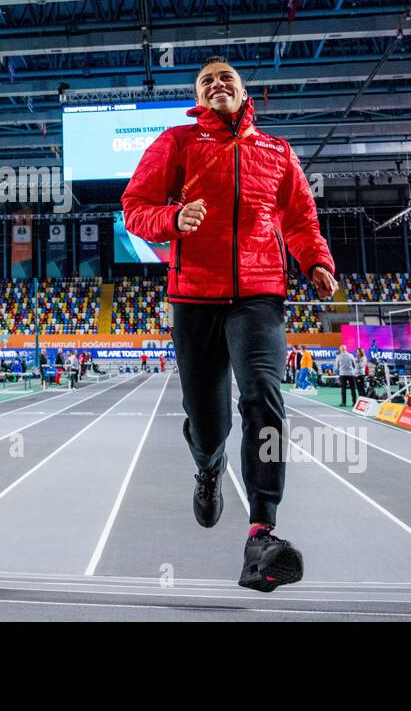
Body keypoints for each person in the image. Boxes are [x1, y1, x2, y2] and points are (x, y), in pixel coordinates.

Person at [122, 56, 336, 594]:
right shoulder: (177, 142)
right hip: (194, 297)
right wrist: (172, 219)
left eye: (227, 78)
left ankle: (262, 531)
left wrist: (316, 261)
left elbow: (300, 218)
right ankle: (208, 465)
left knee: (264, 396)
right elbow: (135, 208)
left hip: (260, 295)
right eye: (206, 80)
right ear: (198, 97)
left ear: (243, 92)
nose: (217, 83)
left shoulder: (277, 151)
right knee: (208, 420)